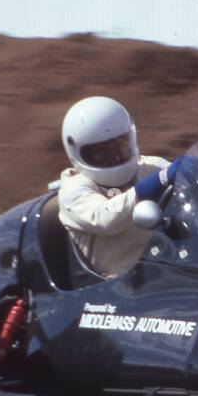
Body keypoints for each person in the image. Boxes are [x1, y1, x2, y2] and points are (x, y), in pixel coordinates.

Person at [56, 96, 181, 278]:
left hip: (172, 268)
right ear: (77, 152)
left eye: (120, 146)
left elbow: (188, 186)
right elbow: (106, 218)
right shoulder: (73, 189)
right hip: (121, 289)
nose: (115, 157)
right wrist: (159, 181)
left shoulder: (150, 167)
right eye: (100, 153)